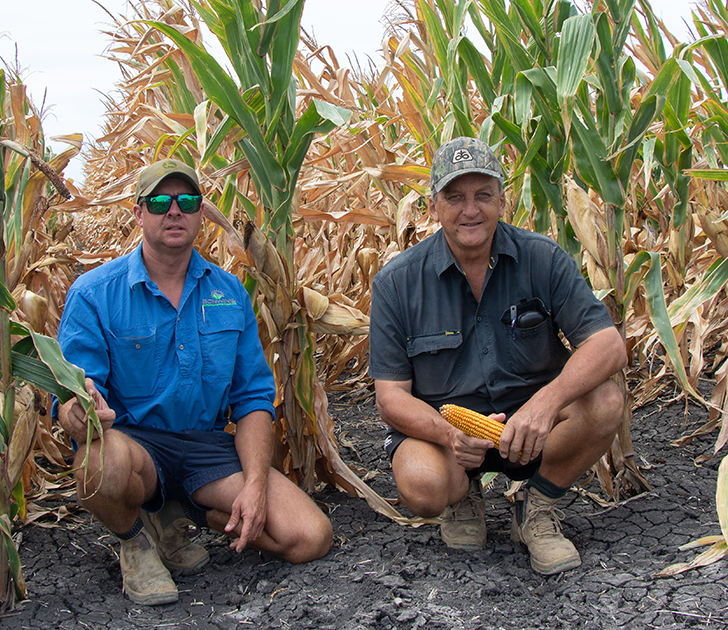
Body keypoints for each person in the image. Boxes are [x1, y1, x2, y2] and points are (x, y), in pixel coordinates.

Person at [56, 159, 332, 605]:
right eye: (160, 202)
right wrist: (81, 412)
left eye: (186, 201)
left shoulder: (228, 292)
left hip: (206, 448)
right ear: (138, 213)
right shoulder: (94, 293)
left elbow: (253, 399)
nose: (174, 211)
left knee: (309, 536)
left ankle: (178, 513)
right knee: (96, 463)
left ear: (201, 212)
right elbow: (69, 398)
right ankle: (135, 541)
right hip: (136, 445)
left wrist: (256, 486)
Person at [369, 137, 627, 575]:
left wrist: (544, 406)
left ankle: (537, 506)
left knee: (605, 403)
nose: (470, 210)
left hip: (531, 433)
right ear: (433, 207)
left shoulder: (542, 258)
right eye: (455, 198)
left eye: (483, 195)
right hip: (451, 438)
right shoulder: (397, 283)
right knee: (421, 483)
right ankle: (463, 496)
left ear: (503, 202)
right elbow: (390, 397)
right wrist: (450, 435)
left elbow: (608, 345)